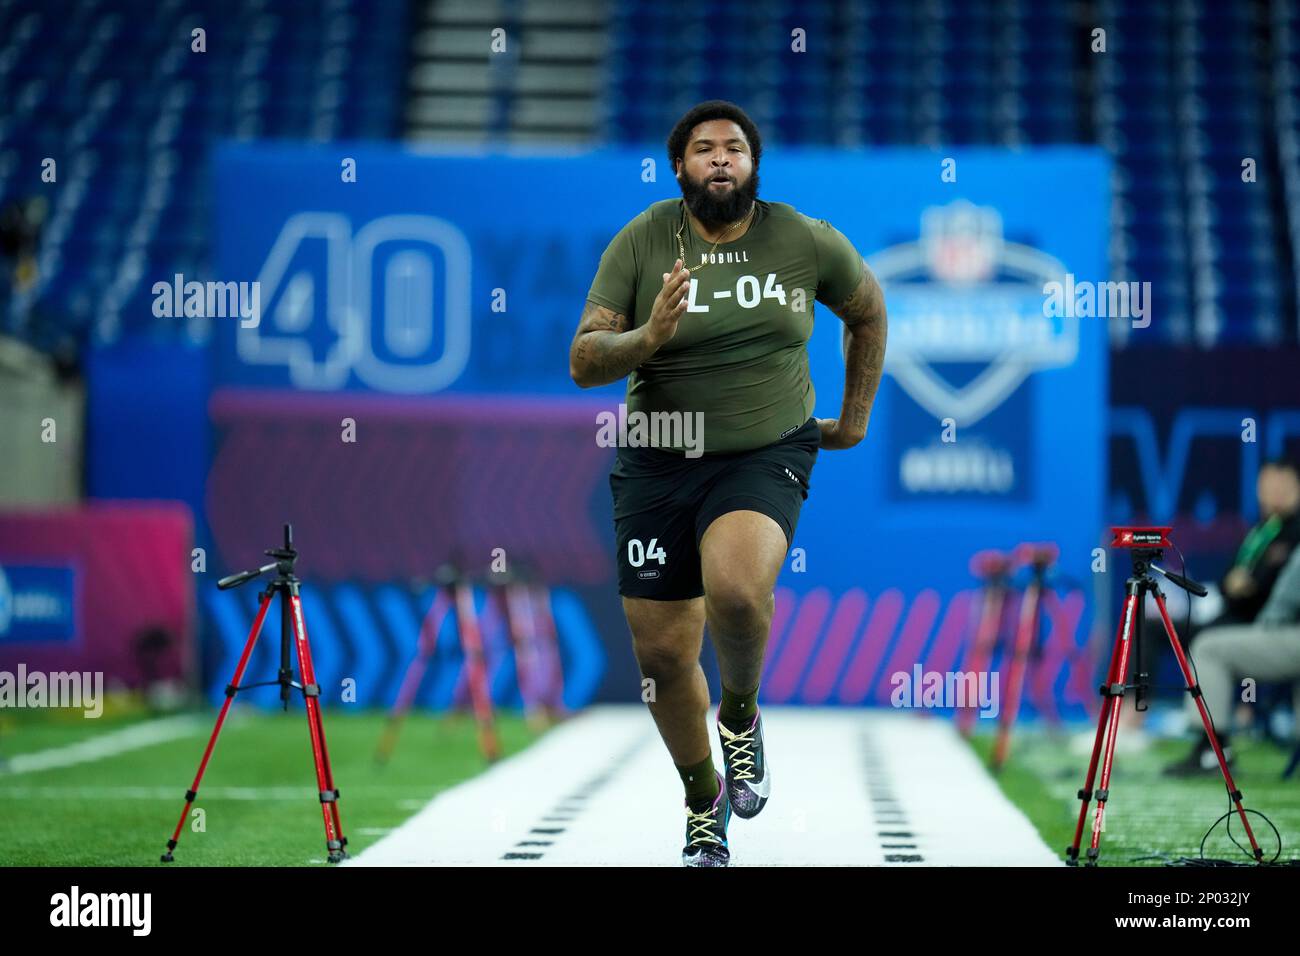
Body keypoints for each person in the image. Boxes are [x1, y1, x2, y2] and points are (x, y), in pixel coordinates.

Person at [569, 100, 887, 865]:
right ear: (679, 167)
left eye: (735, 148)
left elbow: (869, 312)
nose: (720, 159)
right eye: (704, 149)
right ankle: (702, 800)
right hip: (656, 458)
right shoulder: (644, 240)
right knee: (663, 659)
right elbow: (584, 361)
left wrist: (854, 420)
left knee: (739, 590)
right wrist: (647, 337)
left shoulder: (804, 240)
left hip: (763, 450)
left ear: (753, 165)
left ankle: (740, 714)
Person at [1163, 539, 1300, 776]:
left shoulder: (1286, 531)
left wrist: (1266, 620)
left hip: (1287, 630)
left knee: (1207, 648)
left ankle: (1212, 750)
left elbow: (1286, 599)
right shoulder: (1264, 531)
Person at [1215, 459, 1300, 626]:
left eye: (1283, 484)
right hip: (1233, 614)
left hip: (1263, 621)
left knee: (1203, 643)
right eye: (1270, 485)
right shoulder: (1259, 530)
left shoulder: (1295, 532)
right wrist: (1230, 583)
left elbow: (1277, 585)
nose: (1276, 491)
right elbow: (1226, 576)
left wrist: (1250, 584)